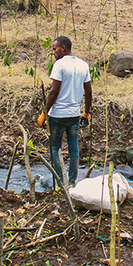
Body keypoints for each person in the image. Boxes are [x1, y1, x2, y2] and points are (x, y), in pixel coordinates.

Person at [39, 36, 92, 187]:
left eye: (54, 49)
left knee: (55, 148)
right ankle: (72, 182)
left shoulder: (59, 65)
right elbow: (88, 91)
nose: (53, 52)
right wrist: (86, 113)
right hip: (74, 114)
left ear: (63, 48)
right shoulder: (83, 65)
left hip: (57, 115)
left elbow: (54, 91)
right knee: (73, 149)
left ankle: (60, 182)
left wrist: (44, 113)